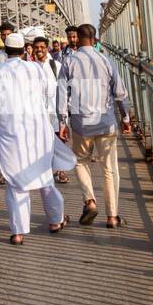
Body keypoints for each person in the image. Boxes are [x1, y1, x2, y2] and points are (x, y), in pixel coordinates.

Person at [0, 32, 66, 245]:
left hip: (9, 132)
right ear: (23, 50)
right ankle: (55, 220)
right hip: (37, 129)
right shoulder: (35, 69)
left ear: (5, 50)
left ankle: (18, 232)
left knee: (15, 181)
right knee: (45, 177)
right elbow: (48, 93)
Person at [57, 23, 129, 229]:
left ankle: (90, 201)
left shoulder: (69, 61)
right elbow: (120, 93)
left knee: (80, 161)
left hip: (81, 123)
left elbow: (62, 95)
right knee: (109, 169)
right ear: (94, 38)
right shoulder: (106, 61)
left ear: (77, 38)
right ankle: (112, 216)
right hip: (106, 122)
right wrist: (125, 118)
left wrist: (62, 122)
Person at [32, 33, 71, 183]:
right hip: (37, 112)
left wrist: (65, 111)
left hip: (54, 111)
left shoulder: (56, 66)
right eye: (36, 47)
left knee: (59, 141)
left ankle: (61, 171)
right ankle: (45, 171)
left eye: (42, 47)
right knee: (41, 143)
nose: (39, 50)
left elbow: (64, 89)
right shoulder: (30, 68)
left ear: (47, 48)